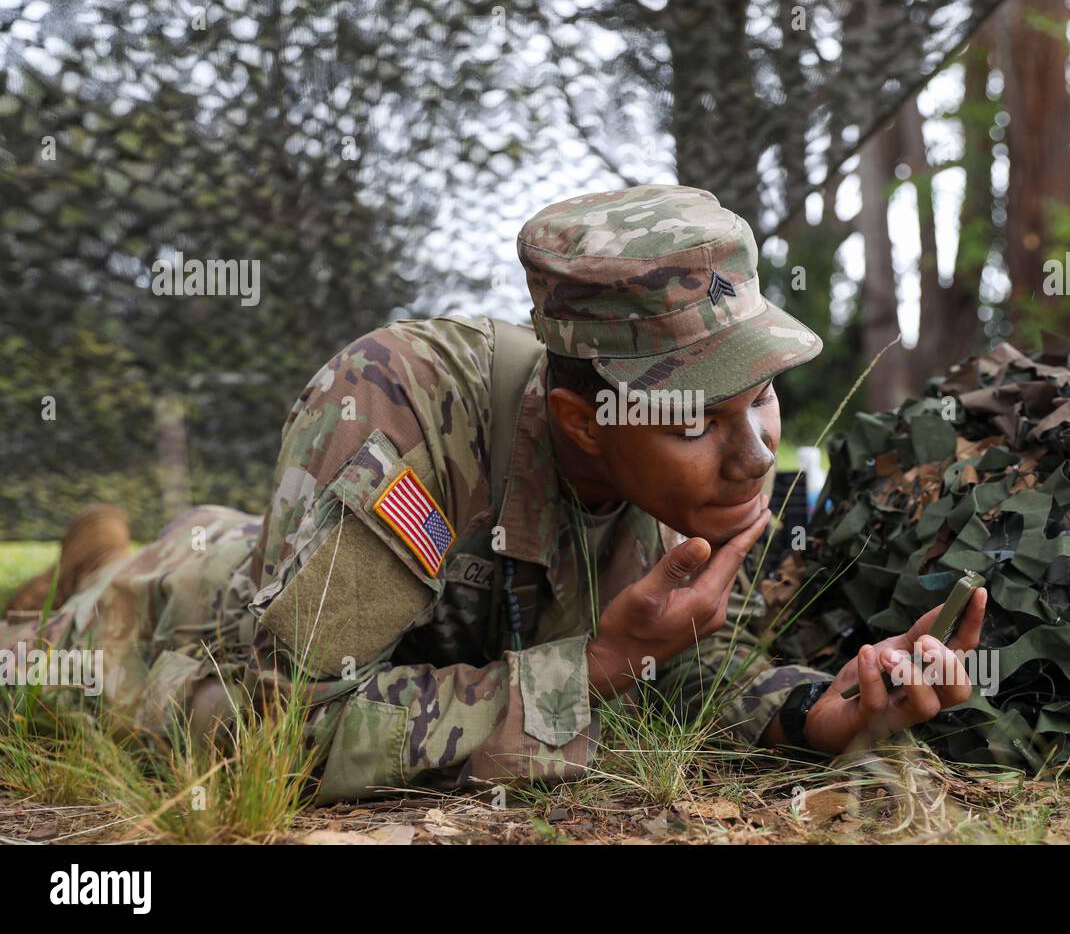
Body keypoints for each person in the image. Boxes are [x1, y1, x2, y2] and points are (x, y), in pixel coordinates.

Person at [1, 184, 986, 802]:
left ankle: (98, 547)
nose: (755, 451)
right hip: (176, 617)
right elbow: (272, 725)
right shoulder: (399, 415)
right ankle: (89, 566)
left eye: (762, 395)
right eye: (696, 421)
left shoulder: (678, 459)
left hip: (306, 572)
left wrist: (822, 711)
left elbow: (680, 657)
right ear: (580, 425)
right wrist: (592, 666)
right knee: (52, 653)